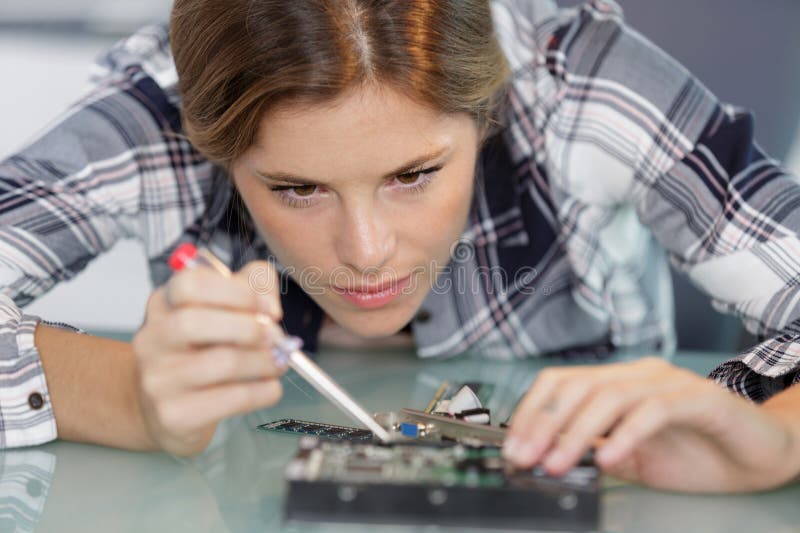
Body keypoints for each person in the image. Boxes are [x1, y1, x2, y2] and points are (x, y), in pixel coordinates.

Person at [0, 0, 798, 493]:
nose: (367, 250)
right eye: (296, 188)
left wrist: (776, 439)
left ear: (489, 112)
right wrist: (130, 398)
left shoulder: (580, 85)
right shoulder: (157, 114)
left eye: (416, 172)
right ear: (209, 145)